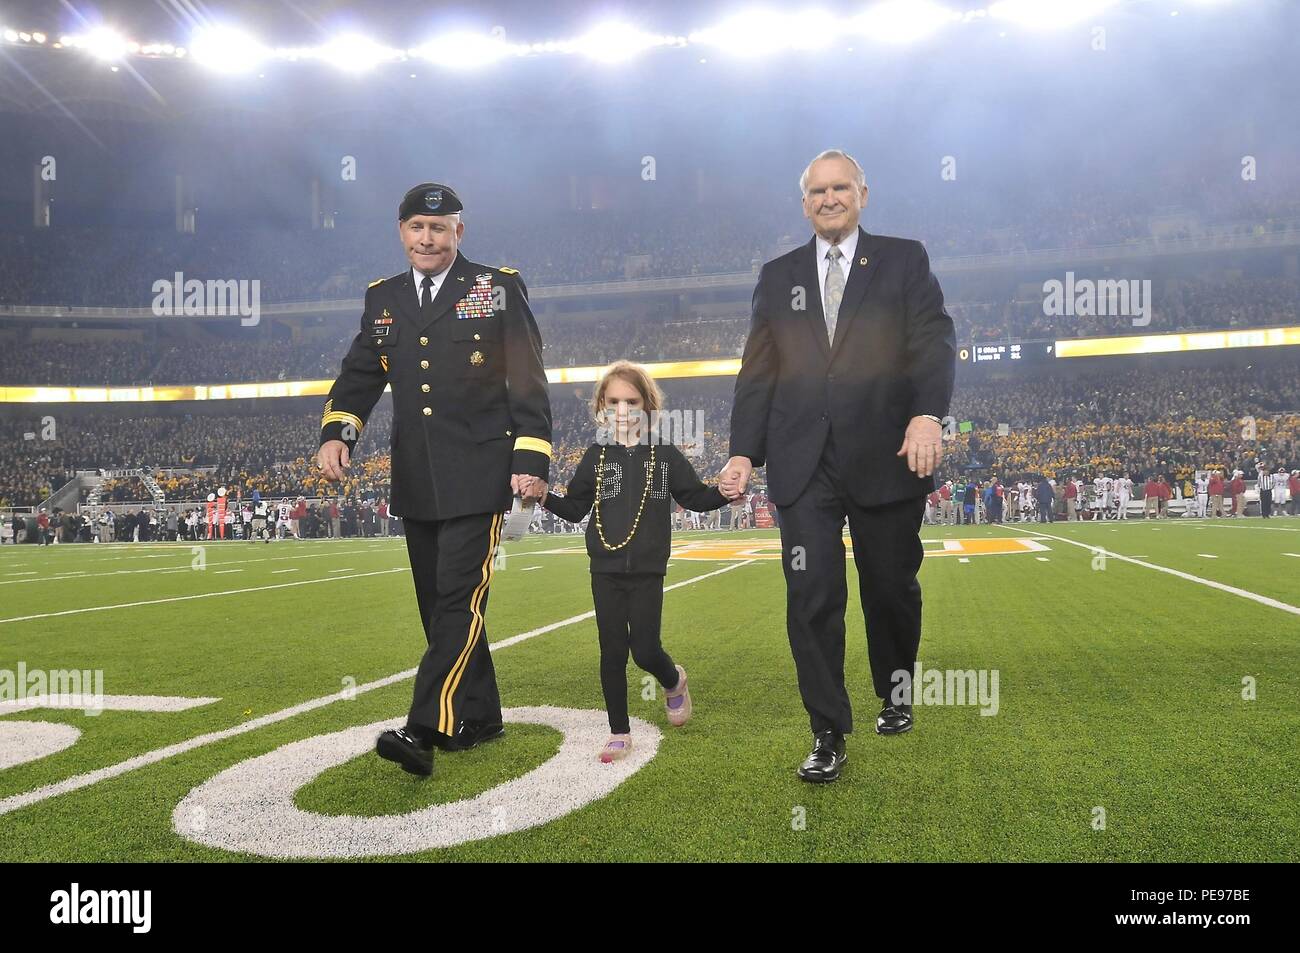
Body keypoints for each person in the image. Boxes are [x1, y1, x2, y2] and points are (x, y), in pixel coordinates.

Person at [720, 149, 956, 783]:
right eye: (818, 191)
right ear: (804, 203)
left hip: (886, 454)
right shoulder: (777, 276)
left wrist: (928, 415)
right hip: (803, 463)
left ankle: (896, 689)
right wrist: (744, 449)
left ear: (863, 194)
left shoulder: (905, 259)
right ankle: (826, 729)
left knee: (890, 586)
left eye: (841, 188)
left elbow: (933, 341)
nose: (829, 198)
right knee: (812, 594)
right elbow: (758, 370)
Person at [317, 182, 552, 778]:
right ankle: (482, 715)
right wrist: (338, 432)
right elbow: (361, 373)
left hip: (481, 472)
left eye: (439, 228)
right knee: (437, 605)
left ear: (458, 233)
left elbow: (526, 375)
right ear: (402, 232)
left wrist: (531, 457)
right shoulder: (384, 297)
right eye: (417, 228)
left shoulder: (496, 288)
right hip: (417, 476)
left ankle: (423, 727)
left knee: (457, 600)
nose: (427, 238)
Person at [541, 362, 734, 761]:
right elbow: (576, 509)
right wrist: (544, 496)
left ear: (648, 406)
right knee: (611, 650)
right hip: (605, 569)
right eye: (613, 402)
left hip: (647, 568)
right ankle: (618, 730)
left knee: (645, 650)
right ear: (601, 407)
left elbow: (694, 497)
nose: (623, 410)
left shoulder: (663, 456)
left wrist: (724, 493)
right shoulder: (595, 457)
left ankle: (673, 679)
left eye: (632, 401)